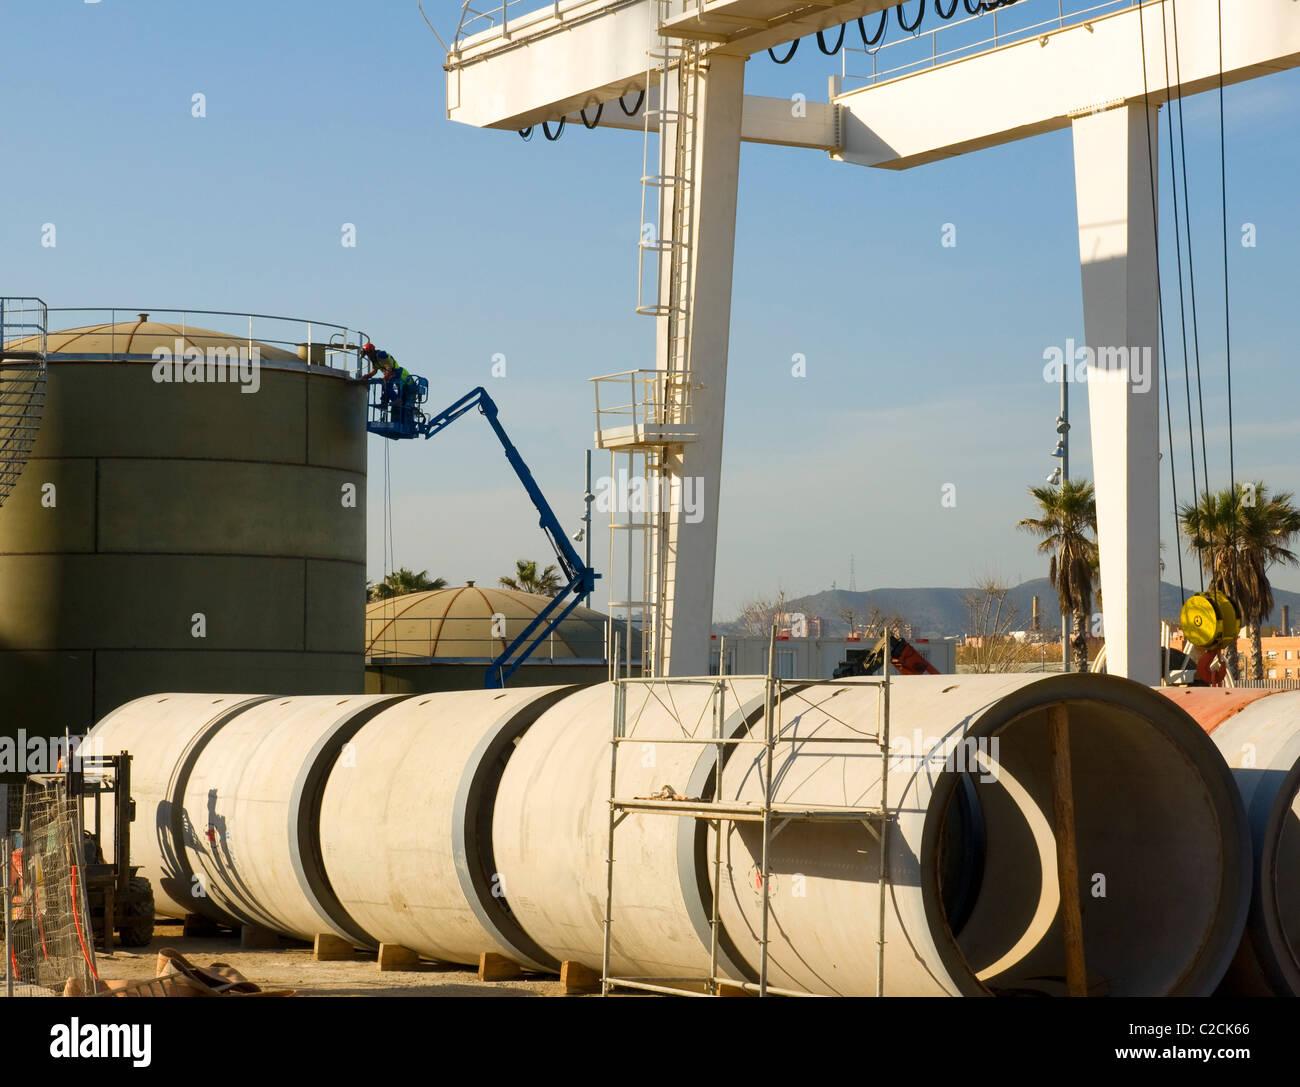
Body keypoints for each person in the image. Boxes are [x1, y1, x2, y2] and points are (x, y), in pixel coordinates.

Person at [359, 342, 417, 426]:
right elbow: (374, 371)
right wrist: (367, 376)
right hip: (391, 373)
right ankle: (384, 403)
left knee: (387, 384)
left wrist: (386, 376)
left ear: (370, 351)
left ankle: (396, 401)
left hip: (398, 372)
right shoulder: (374, 360)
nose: (367, 356)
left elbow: (389, 366)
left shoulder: (381, 355)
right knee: (385, 385)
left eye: (367, 354)